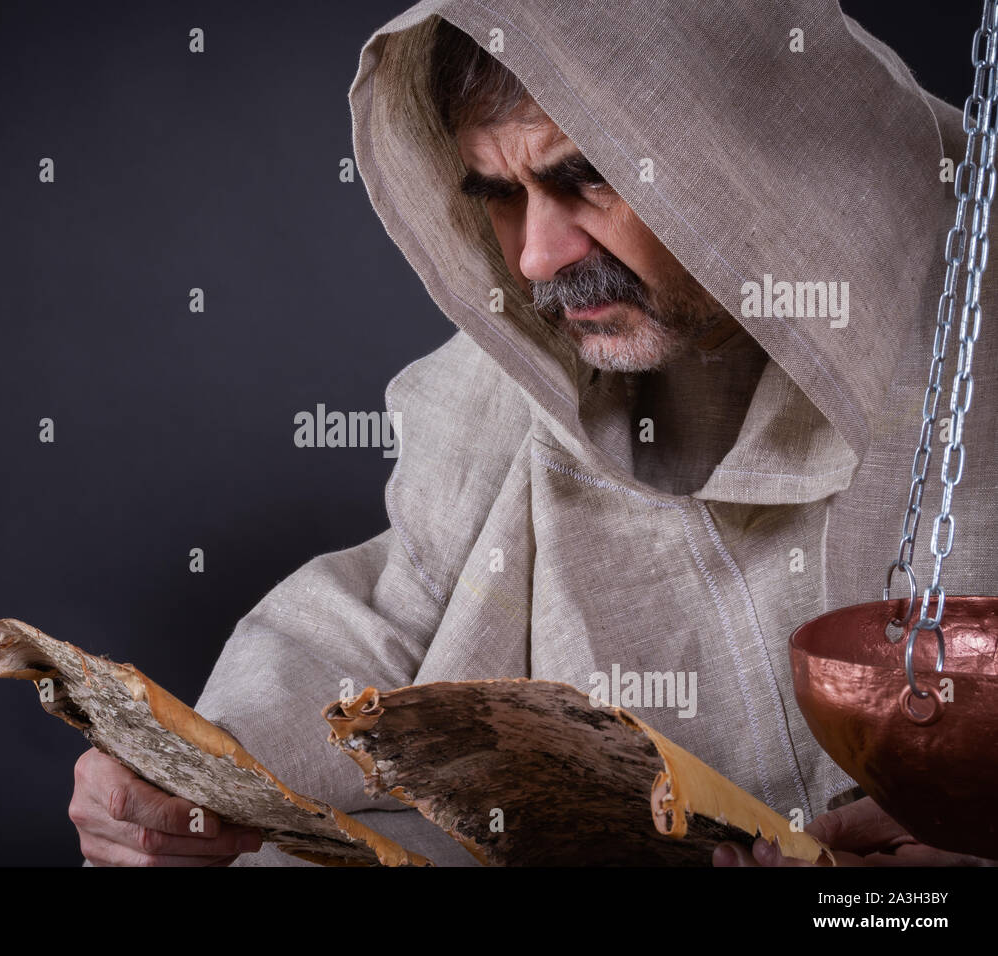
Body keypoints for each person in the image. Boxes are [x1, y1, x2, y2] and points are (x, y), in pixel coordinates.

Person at [70, 1, 998, 866]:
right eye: (502, 193)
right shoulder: (512, 379)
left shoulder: (974, 314)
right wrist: (189, 763)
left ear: (744, 156)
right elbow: (405, 601)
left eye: (584, 179)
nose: (536, 257)